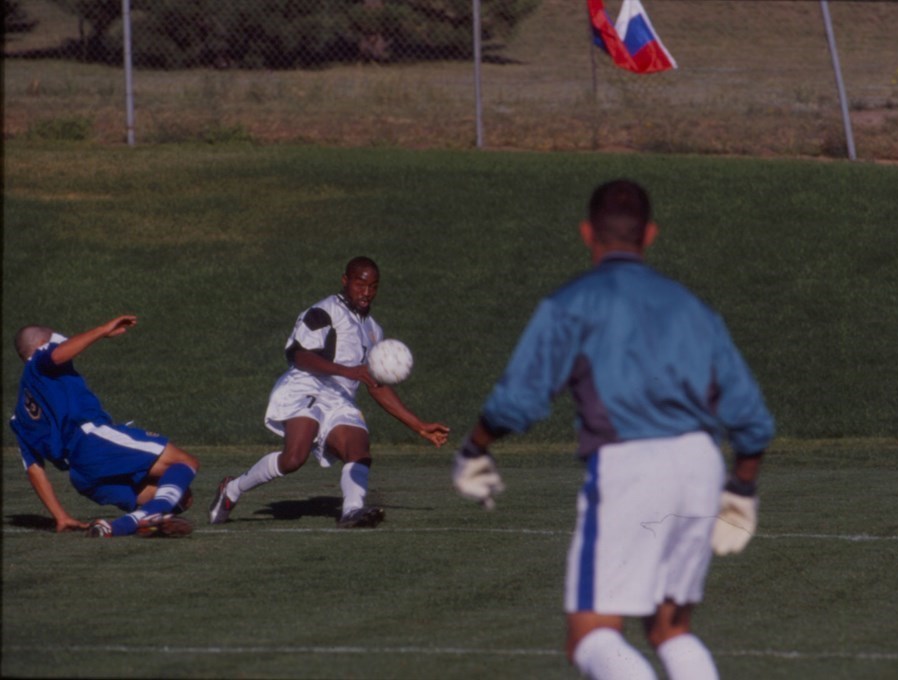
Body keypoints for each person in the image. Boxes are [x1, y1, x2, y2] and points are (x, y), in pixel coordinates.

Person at [452, 180, 774, 680]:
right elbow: (750, 416)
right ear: (650, 234)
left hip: (630, 467)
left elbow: (521, 398)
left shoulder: (573, 302)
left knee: (592, 633)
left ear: (586, 233)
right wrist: (743, 488)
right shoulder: (692, 308)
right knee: (671, 630)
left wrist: (475, 448)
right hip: (700, 466)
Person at [209, 256, 450, 529]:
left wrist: (419, 426)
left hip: (339, 399)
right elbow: (298, 355)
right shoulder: (323, 312)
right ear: (345, 281)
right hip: (305, 386)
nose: (367, 292)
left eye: (373, 286)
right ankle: (232, 489)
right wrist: (347, 371)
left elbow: (375, 385)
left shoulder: (374, 330)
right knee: (293, 458)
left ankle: (351, 511)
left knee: (358, 449)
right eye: (360, 284)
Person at [10, 315, 199, 538]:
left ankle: (135, 521)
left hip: (83, 476)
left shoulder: (19, 417)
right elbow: (56, 355)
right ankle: (129, 523)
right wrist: (102, 330)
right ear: (42, 344)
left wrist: (60, 516)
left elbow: (34, 469)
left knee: (183, 498)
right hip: (94, 441)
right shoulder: (39, 361)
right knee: (184, 462)